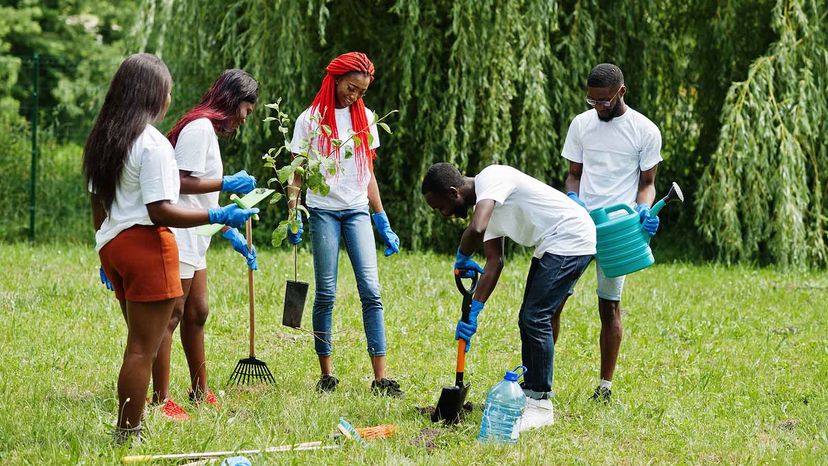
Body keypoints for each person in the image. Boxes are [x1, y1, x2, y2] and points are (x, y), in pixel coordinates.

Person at [83, 53, 258, 443]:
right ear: (152, 94)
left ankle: (139, 420)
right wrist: (218, 217)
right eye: (167, 91)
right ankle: (129, 432)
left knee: (140, 343)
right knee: (142, 348)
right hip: (147, 247)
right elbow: (161, 209)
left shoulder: (103, 139)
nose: (169, 99)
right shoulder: (152, 143)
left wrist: (103, 248)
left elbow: (98, 204)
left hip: (113, 245)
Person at [421, 162, 596, 431]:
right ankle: (531, 394)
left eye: (439, 207)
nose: (443, 214)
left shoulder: (492, 178)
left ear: (454, 192)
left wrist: (462, 255)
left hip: (570, 236)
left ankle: (540, 405)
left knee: (534, 317)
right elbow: (494, 262)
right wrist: (474, 311)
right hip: (552, 243)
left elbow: (476, 231)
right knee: (530, 318)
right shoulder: (485, 207)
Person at [286, 52, 403, 397]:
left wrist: (380, 217)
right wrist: (294, 211)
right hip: (322, 212)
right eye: (351, 88)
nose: (354, 96)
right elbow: (296, 173)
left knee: (372, 291)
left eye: (360, 91)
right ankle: (327, 374)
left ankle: (381, 378)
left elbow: (367, 174)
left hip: (356, 212)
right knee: (326, 292)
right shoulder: (310, 121)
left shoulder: (365, 118)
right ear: (336, 79)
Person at [146, 69, 260, 421]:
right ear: (232, 100)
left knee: (198, 313)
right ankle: (161, 401)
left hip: (198, 237)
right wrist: (227, 182)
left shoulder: (206, 131)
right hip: (180, 234)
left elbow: (203, 194)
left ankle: (200, 391)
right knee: (170, 317)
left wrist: (227, 229)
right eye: (245, 109)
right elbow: (176, 183)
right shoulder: (198, 129)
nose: (244, 119)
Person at [560, 63, 662, 403]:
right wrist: (573, 198)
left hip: (618, 231)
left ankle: (604, 388)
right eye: (591, 100)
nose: (597, 107)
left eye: (603, 101)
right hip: (580, 225)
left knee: (610, 308)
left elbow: (647, 184)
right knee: (553, 302)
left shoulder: (644, 130)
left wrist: (643, 210)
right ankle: (540, 377)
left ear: (621, 92)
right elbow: (574, 174)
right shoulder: (581, 124)